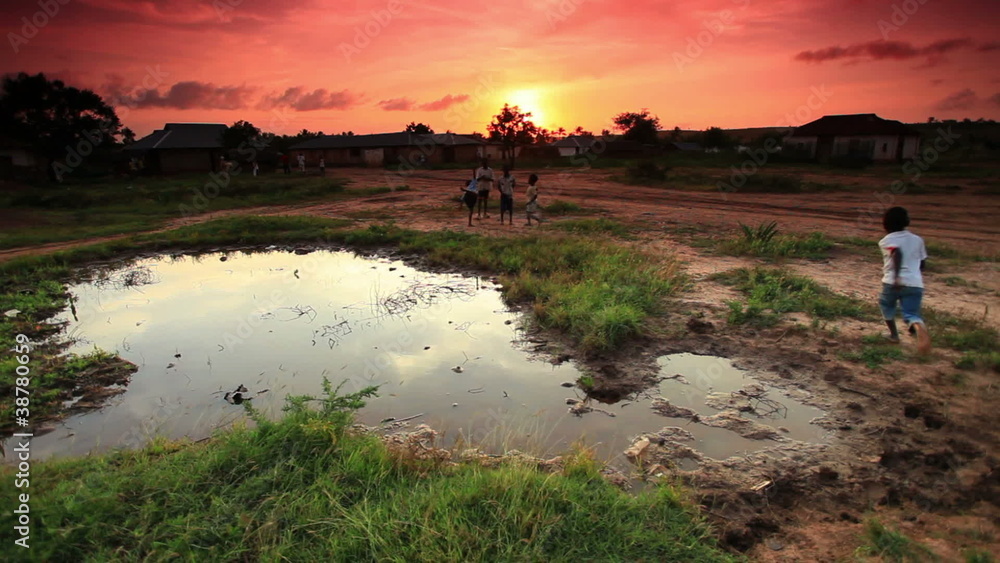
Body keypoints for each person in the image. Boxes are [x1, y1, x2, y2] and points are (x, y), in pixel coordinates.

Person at [878, 206, 931, 354]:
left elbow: (896, 253)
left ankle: (894, 336)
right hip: (915, 282)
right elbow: (922, 264)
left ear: (885, 224)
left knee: (886, 306)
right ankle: (917, 326)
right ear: (906, 222)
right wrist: (913, 276)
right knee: (911, 313)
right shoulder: (918, 240)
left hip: (892, 281)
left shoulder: (885, 241)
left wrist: (897, 277)